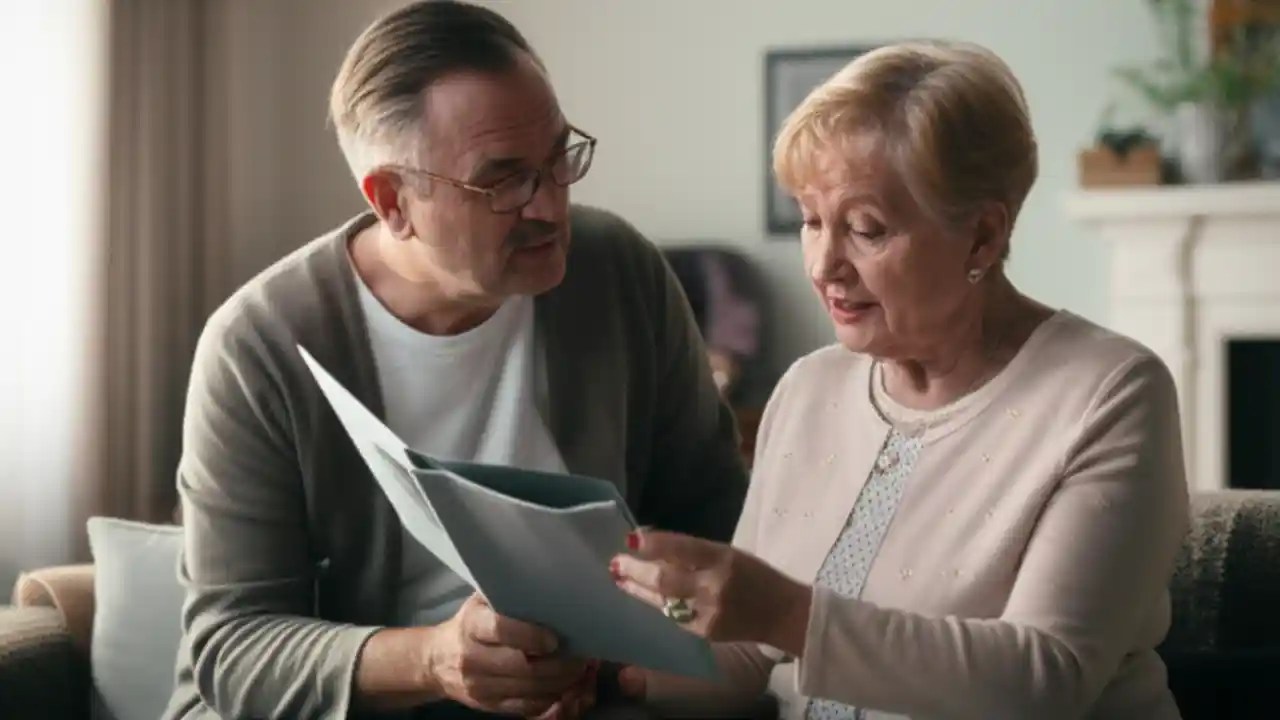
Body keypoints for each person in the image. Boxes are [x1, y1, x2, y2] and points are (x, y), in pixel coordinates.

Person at [163, 2, 748, 718]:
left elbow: (718, 523)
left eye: (559, 159)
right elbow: (233, 650)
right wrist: (435, 661)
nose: (550, 207)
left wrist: (605, 661)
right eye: (503, 182)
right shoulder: (258, 347)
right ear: (392, 201)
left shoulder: (618, 272)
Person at [611, 40, 1191, 719]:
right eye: (810, 220)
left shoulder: (1111, 394)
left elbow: (1045, 680)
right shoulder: (807, 390)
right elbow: (748, 657)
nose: (825, 264)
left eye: (866, 229)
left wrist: (784, 612)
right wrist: (605, 668)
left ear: (981, 237)